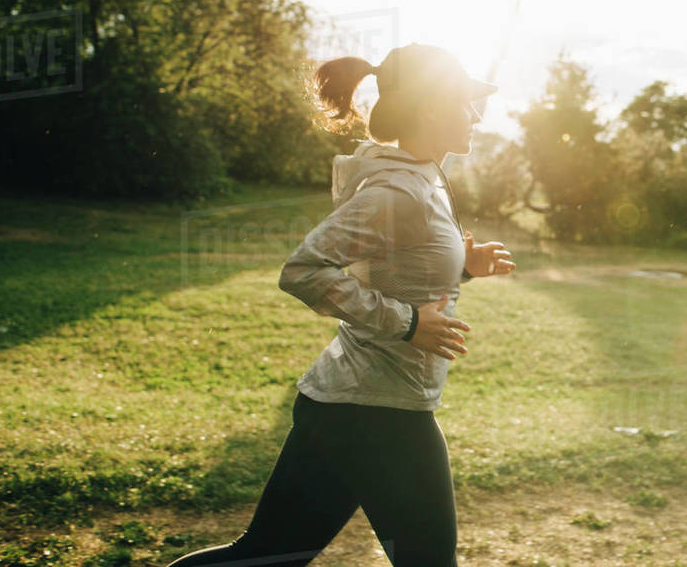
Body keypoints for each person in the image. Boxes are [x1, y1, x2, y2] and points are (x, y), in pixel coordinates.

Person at [166, 43, 516, 567]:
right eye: (464, 101)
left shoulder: (423, 176)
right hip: (378, 414)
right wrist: (408, 323)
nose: (474, 114)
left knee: (265, 557)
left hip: (347, 408)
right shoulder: (399, 190)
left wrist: (464, 265)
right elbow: (304, 271)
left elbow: (393, 266)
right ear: (428, 108)